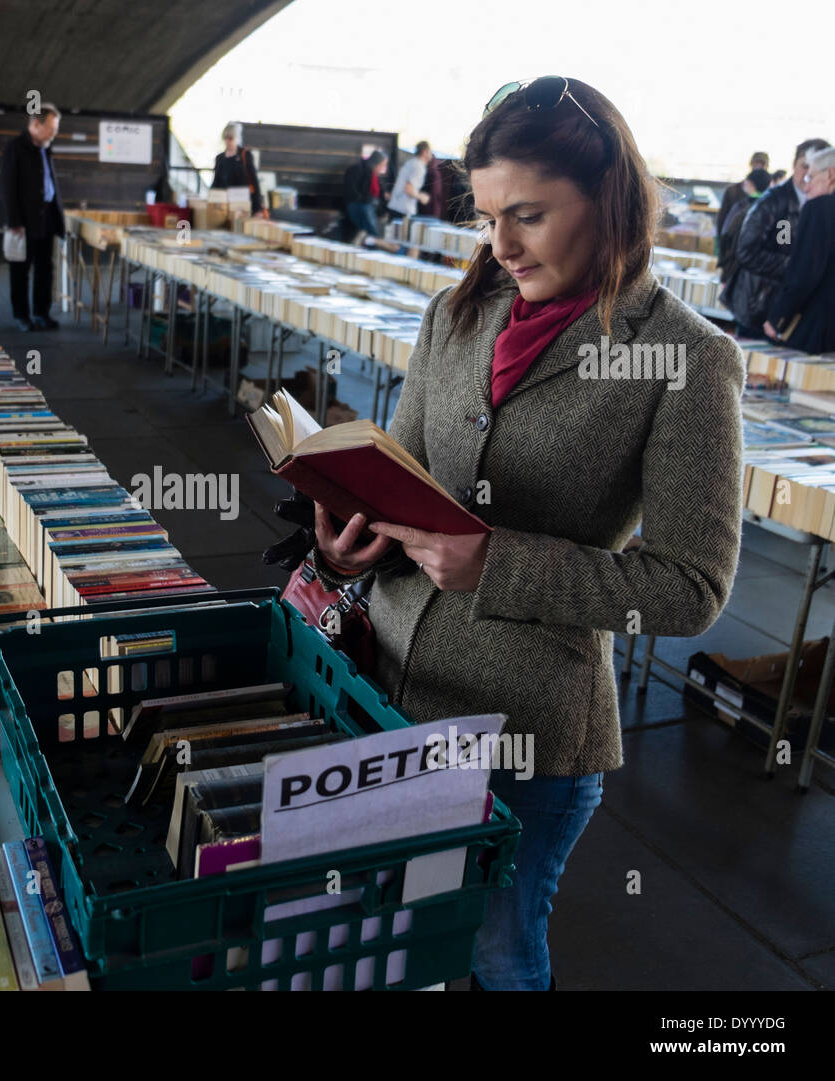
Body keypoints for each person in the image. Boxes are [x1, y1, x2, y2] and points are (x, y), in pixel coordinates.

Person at [311, 76, 743, 991]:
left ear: (611, 201)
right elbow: (412, 477)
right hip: (388, 684)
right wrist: (347, 539)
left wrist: (497, 564)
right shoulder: (454, 313)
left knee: (498, 950)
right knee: (392, 927)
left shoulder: (690, 359)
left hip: (526, 730)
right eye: (486, 215)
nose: (500, 245)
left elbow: (690, 587)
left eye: (530, 216)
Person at [722, 137, 830, 338]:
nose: (807, 174)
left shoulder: (821, 204)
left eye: (813, 169)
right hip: (760, 305)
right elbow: (749, 252)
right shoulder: (777, 203)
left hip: (792, 309)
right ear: (794, 165)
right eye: (804, 166)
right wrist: (796, 266)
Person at [0, 103, 66, 332]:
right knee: (20, 269)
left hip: (46, 217)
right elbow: (8, 188)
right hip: (24, 221)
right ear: (35, 124)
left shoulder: (46, 149)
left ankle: (41, 313)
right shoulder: (15, 148)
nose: (54, 134)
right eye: (51, 128)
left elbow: (50, 184)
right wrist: (14, 221)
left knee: (45, 269)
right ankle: (21, 316)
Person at [764, 147, 835, 354]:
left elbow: (805, 269)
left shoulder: (818, 207)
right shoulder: (780, 199)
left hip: (817, 322)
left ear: (830, 175)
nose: (807, 185)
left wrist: (779, 315)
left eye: (810, 176)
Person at [717, 167, 775, 282]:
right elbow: (783, 243)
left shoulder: (741, 208)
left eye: (746, 182)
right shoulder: (775, 210)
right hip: (762, 274)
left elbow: (726, 234)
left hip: (737, 269)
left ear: (751, 184)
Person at [211, 123, 266, 217]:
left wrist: (258, 208)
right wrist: (210, 198)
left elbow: (254, 181)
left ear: (237, 138)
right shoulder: (220, 158)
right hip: (225, 205)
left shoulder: (245, 155)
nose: (227, 141)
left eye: (230, 138)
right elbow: (216, 182)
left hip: (243, 204)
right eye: (225, 138)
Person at [344, 149, 388, 243]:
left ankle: (368, 238)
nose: (383, 167)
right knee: (367, 211)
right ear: (377, 163)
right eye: (382, 164)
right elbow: (350, 189)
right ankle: (375, 241)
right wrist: (364, 199)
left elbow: (379, 193)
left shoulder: (375, 175)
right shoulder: (357, 169)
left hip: (368, 206)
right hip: (357, 205)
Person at [718, 151, 770, 228]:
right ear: (751, 164)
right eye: (756, 163)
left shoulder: (772, 194)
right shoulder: (733, 191)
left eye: (762, 164)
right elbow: (722, 217)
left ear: (766, 167)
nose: (759, 166)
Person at [387, 141, 434, 222]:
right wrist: (422, 197)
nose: (432, 155)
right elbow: (408, 189)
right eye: (430, 151)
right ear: (425, 152)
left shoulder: (411, 162)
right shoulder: (419, 166)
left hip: (397, 206)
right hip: (403, 209)